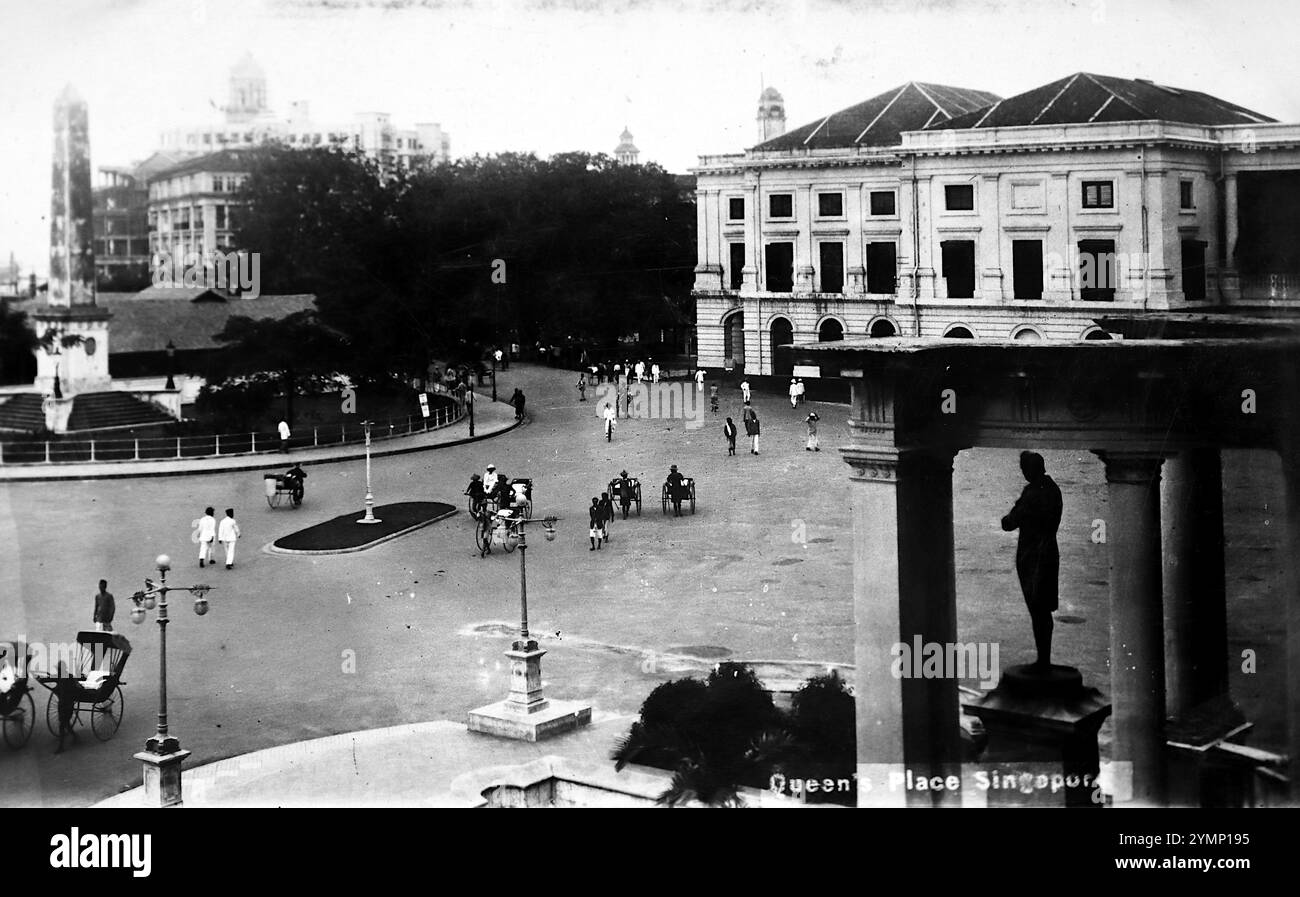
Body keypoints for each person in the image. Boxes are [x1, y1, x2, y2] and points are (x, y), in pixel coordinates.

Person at [1000, 451, 1063, 670]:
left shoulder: (1033, 493)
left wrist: (1011, 517)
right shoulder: (1052, 489)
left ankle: (1043, 661)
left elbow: (1009, 522)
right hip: (1047, 553)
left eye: (1025, 469)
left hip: (1032, 556)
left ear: (1031, 469)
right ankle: (1044, 658)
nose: (1024, 473)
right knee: (1042, 609)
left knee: (1037, 608)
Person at [52, 661, 78, 755]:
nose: (57, 671)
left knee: (62, 724)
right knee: (65, 723)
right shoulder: (61, 677)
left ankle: (61, 746)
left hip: (67, 704)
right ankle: (75, 736)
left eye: (58, 669)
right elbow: (58, 688)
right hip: (62, 704)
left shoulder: (69, 678)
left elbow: (73, 690)